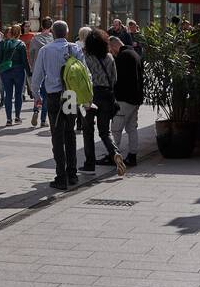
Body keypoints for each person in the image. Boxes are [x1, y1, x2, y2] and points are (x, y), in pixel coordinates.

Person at [30, 20, 83, 190]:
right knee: (70, 133)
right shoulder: (74, 48)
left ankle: (61, 176)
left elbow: (37, 75)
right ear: (67, 32)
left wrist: (36, 95)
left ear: (52, 32)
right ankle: (72, 174)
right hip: (70, 95)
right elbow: (85, 72)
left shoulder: (46, 50)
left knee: (57, 135)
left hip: (54, 97)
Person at [82, 28, 120, 173]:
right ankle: (115, 153)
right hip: (106, 95)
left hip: (90, 95)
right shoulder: (109, 57)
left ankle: (90, 164)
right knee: (105, 131)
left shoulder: (86, 57)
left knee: (88, 130)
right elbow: (114, 79)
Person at [108, 31, 144, 168]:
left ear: (114, 46)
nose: (111, 53)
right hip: (135, 98)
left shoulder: (122, 57)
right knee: (131, 128)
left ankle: (113, 156)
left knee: (116, 129)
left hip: (124, 99)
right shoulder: (134, 53)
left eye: (110, 50)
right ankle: (132, 156)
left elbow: (117, 80)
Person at [0, 23, 29, 126]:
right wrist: (29, 72)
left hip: (5, 71)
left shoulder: (2, 43)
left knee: (8, 95)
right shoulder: (21, 44)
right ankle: (17, 117)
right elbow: (25, 61)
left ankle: (8, 119)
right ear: (19, 33)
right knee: (18, 94)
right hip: (18, 71)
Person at [28, 16, 53, 127]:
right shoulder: (53, 39)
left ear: (41, 26)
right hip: (49, 70)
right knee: (46, 94)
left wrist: (32, 66)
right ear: (51, 26)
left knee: (37, 92)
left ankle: (36, 110)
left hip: (37, 69)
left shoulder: (35, 39)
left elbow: (31, 54)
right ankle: (43, 120)